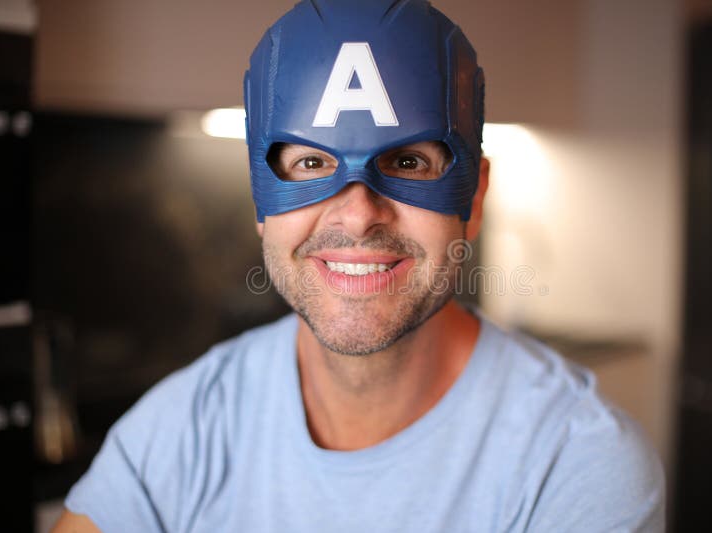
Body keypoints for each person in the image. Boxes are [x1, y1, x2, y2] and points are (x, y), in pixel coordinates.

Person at [53, 0, 665, 531]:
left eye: (408, 163)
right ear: (260, 203)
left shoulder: (577, 464)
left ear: (473, 199)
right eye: (312, 165)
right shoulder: (187, 424)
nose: (358, 215)